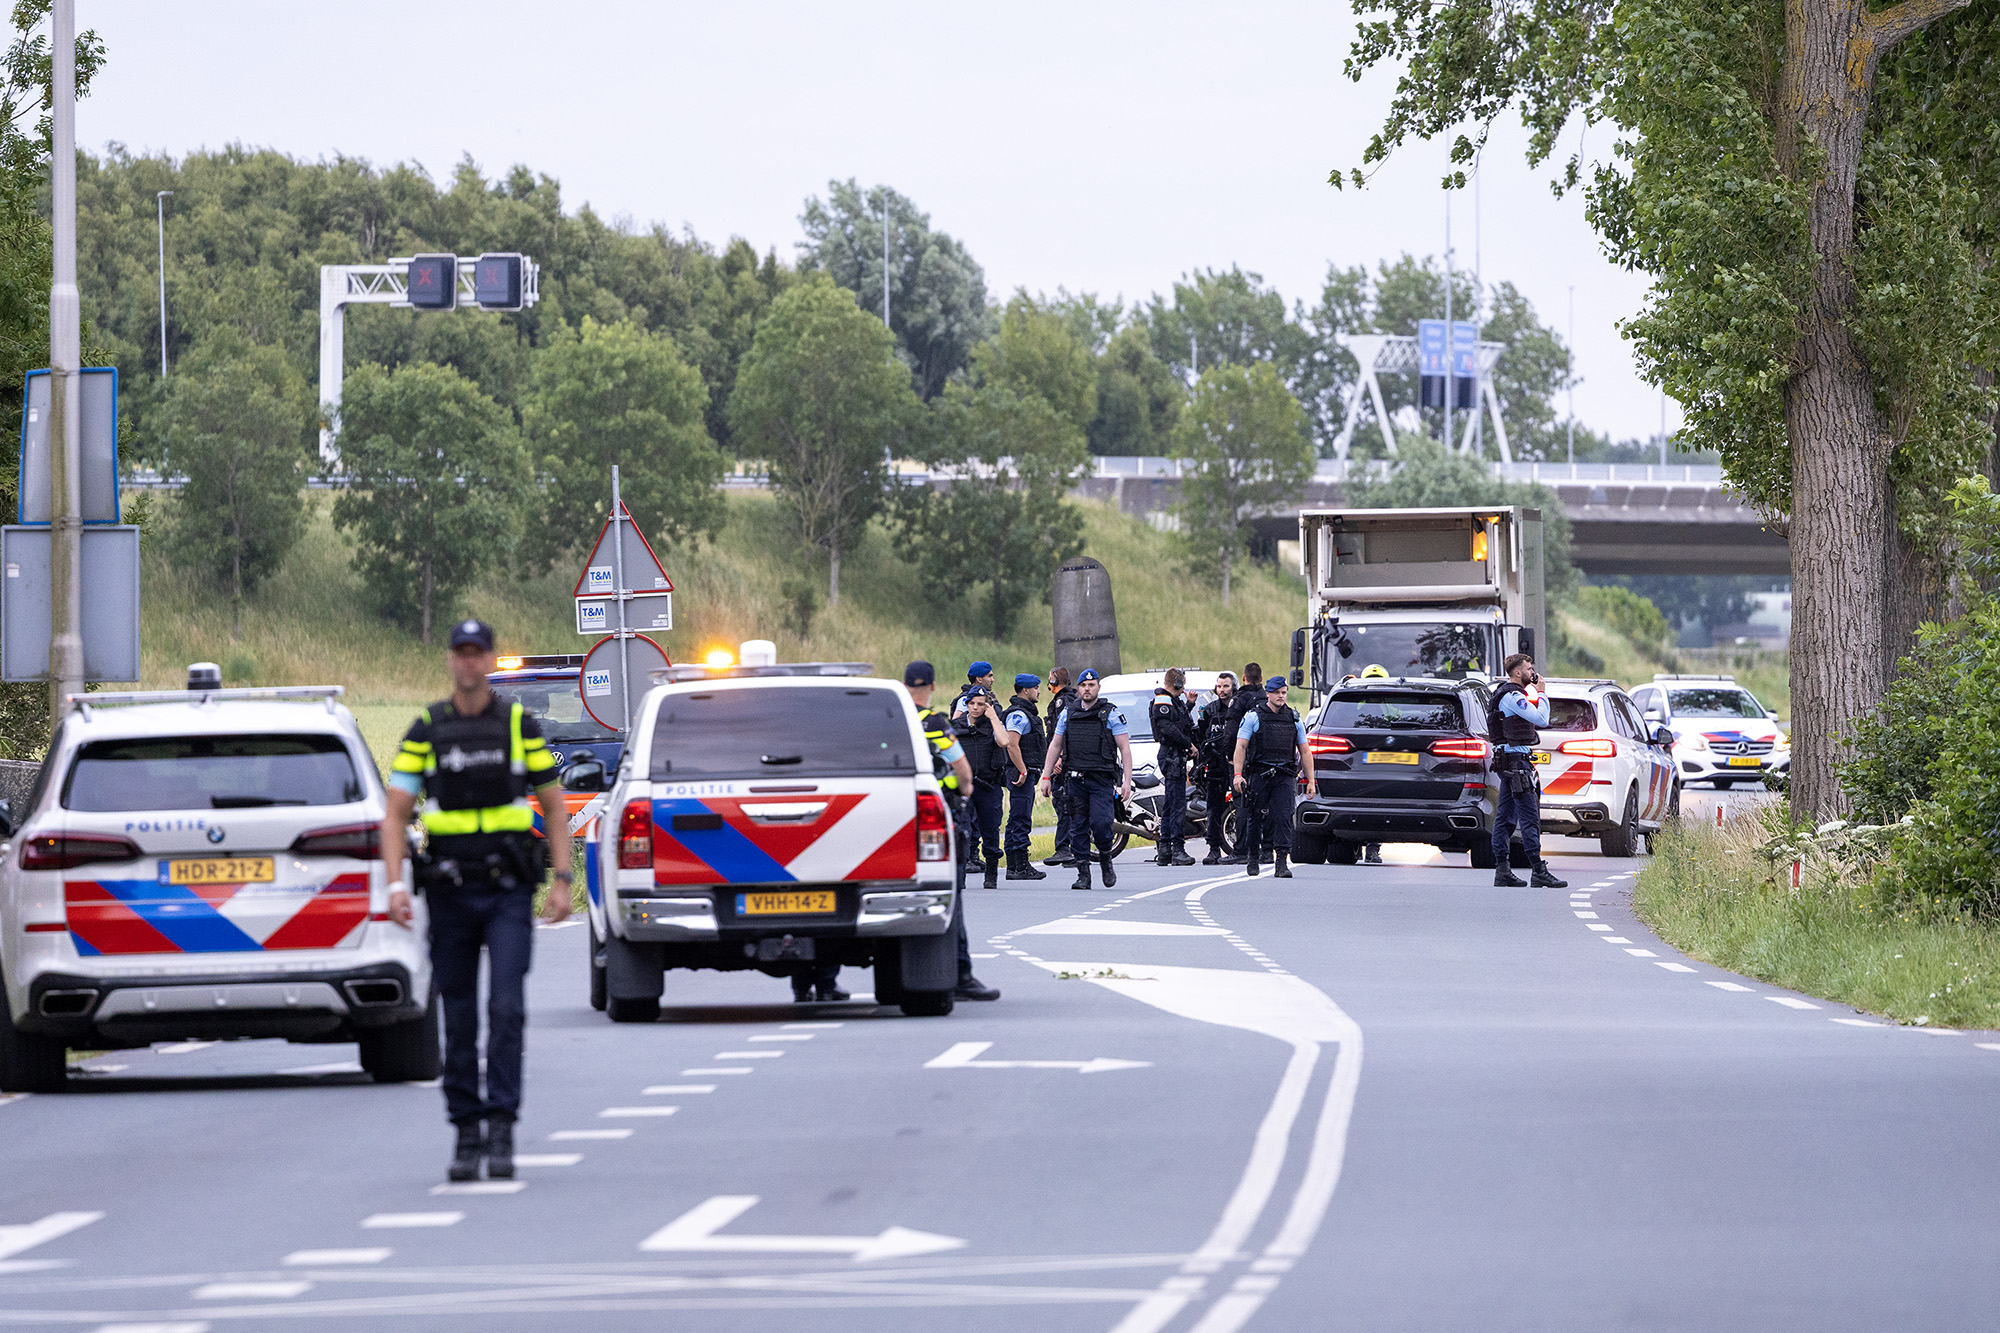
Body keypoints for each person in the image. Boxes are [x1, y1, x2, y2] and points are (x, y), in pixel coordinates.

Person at [382, 619, 573, 1183]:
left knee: (507, 1010)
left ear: (490, 659)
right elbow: (395, 814)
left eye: (478, 653)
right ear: (450, 661)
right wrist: (396, 885)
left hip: (508, 891)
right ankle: (467, 1130)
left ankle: (503, 1128)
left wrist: (563, 879)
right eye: (460, 653)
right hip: (449, 892)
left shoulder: (519, 725)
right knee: (459, 1016)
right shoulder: (426, 730)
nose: (469, 663)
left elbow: (555, 806)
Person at [905, 661, 1001, 1001]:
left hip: (900, 821)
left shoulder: (893, 723)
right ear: (931, 686)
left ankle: (819, 983)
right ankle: (960, 973)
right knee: (951, 895)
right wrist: (964, 792)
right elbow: (962, 770)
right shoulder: (933, 723)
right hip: (939, 816)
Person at [1037, 668, 1134, 891]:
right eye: (1083, 685)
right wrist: (1046, 775)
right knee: (1077, 827)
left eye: (1092, 685)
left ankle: (1106, 861)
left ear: (1098, 687)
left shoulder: (1110, 713)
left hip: (1101, 780)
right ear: (1078, 688)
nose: (1087, 689)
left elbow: (1125, 749)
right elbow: (1055, 744)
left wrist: (1126, 781)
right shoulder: (1067, 713)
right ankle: (1083, 873)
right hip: (1075, 780)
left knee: (1101, 824)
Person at [1487, 653, 1569, 889]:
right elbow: (1541, 719)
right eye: (1528, 668)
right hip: (1515, 763)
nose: (1532, 673)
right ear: (1517, 673)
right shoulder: (1512, 696)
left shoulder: (1507, 694)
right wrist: (1542, 692)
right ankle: (1538, 870)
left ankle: (1502, 871)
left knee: (1505, 818)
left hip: (1511, 762)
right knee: (1529, 817)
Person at [1232, 677, 1317, 878]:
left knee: (1284, 818)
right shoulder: (1253, 716)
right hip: (1260, 774)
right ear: (1268, 694)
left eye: (1284, 692)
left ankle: (1281, 863)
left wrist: (1311, 780)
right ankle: (1253, 856)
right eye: (1277, 692)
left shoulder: (1294, 719)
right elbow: (1241, 747)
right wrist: (1237, 775)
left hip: (1284, 775)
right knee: (1255, 817)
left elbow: (1305, 751)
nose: (1281, 696)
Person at [955, 689, 1023, 889]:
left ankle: (991, 874)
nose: (976, 708)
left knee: (991, 832)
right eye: (973, 704)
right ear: (967, 704)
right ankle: (960, 878)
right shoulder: (956, 726)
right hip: (964, 789)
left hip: (989, 787)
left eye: (981, 704)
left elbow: (1004, 742)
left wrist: (993, 717)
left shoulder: (993, 725)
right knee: (963, 832)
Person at [1149, 669, 1198, 867]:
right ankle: (1177, 849)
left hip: (1174, 755)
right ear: (1177, 683)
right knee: (1177, 804)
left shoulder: (1170, 701)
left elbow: (1177, 720)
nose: (1184, 688)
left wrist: (1190, 704)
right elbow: (1168, 728)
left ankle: (1165, 849)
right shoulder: (1163, 700)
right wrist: (1189, 744)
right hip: (1172, 756)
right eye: (1182, 684)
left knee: (1171, 803)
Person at [1001, 675, 1048, 880]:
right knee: (1021, 819)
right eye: (1036, 688)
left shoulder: (1026, 713)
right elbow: (1012, 743)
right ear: (1025, 690)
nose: (1039, 691)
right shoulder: (1019, 715)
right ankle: (1020, 866)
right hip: (1020, 773)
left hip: (1024, 772)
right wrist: (1022, 770)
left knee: (1016, 818)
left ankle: (1013, 866)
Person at [1219, 663, 1265, 865]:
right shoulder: (1267, 698)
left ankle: (1241, 850)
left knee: (1242, 804)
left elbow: (1230, 732)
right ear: (1261, 679)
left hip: (1242, 759)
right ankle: (1266, 849)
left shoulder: (1238, 701)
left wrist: (1230, 756)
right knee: (1264, 804)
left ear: (1244, 679)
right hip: (1262, 760)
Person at [1191, 672, 1238, 864]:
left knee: (1241, 805)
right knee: (1213, 807)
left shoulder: (1239, 709)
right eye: (1219, 686)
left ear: (1233, 688)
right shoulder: (1209, 710)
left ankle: (1242, 847)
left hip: (1235, 764)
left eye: (1226, 686)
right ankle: (1213, 848)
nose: (1222, 690)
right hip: (1215, 765)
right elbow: (1200, 735)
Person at [1041, 667, 1078, 867]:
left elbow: (1062, 732)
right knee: (1065, 804)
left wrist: (1059, 758)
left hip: (1062, 762)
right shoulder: (1069, 699)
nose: (1048, 683)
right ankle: (1070, 848)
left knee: (1064, 804)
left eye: (1050, 679)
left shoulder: (1063, 701)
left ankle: (1064, 848)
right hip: (1063, 759)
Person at [1359, 663, 1390, 864]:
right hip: (1382, 766)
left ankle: (1365, 847)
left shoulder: (1353, 704)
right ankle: (1372, 849)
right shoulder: (1392, 706)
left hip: (1356, 768)